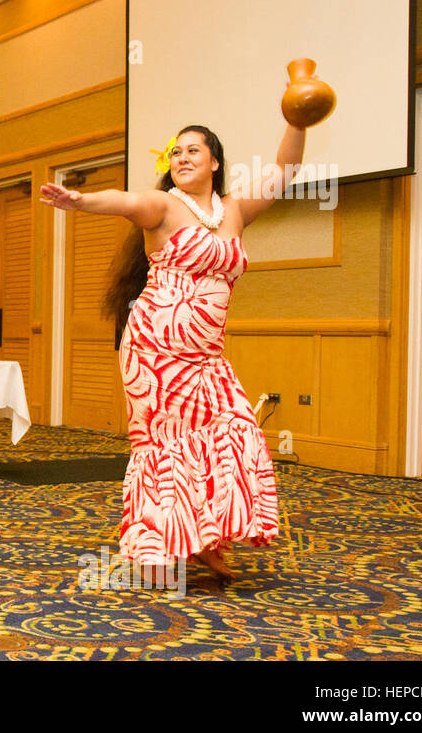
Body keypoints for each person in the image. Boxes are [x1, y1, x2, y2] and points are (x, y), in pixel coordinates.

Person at [39, 121, 305, 581]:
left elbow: (284, 169)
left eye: (193, 151)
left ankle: (202, 536)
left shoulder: (235, 211)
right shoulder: (162, 206)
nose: (181, 159)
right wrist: (81, 201)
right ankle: (165, 542)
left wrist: (296, 123)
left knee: (236, 431)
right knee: (168, 445)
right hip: (155, 350)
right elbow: (124, 201)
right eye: (176, 153)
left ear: (215, 163)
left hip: (206, 355)